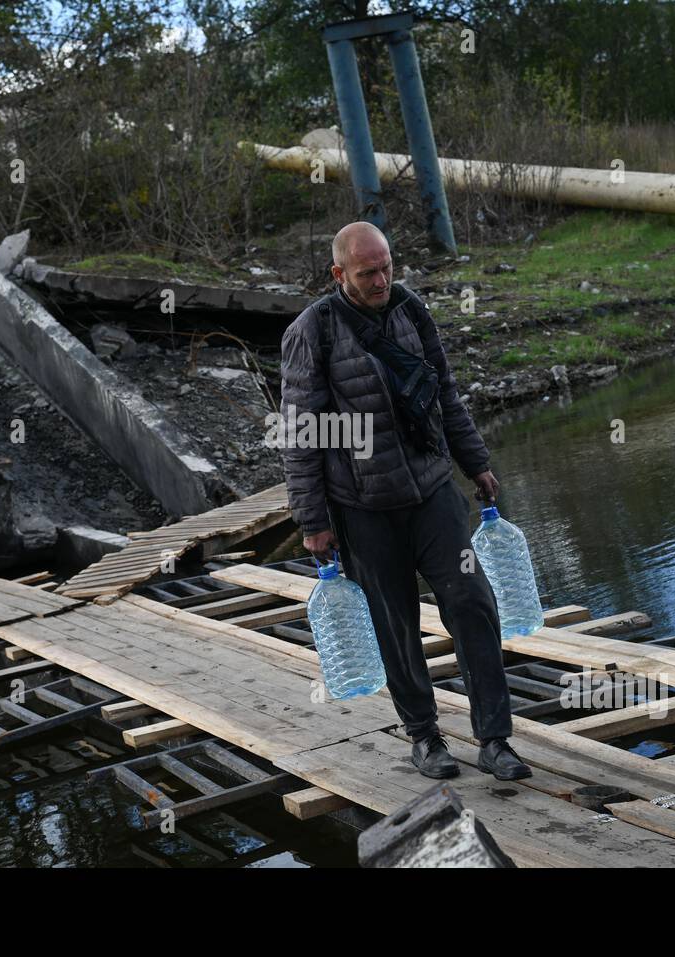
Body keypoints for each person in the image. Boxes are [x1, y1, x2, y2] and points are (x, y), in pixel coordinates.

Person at [280, 221, 531, 781]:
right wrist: (313, 520)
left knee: (471, 600)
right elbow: (301, 433)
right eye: (368, 272)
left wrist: (477, 462)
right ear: (339, 274)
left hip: (432, 490)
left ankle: (495, 739)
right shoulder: (312, 333)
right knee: (395, 622)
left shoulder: (411, 311)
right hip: (363, 506)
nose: (381, 279)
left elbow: (444, 392)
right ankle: (425, 738)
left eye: (387, 266)